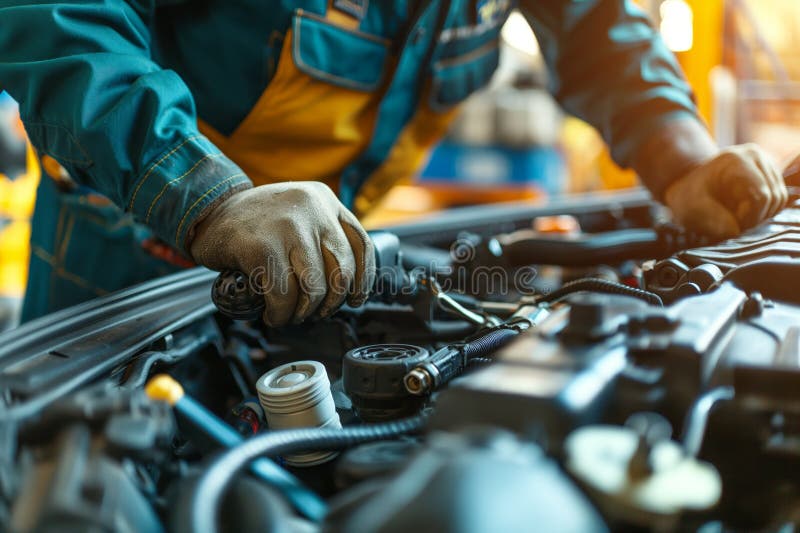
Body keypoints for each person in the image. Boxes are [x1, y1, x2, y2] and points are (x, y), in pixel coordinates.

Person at [0, 0, 787, 325]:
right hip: (125, 258)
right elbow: (63, 20)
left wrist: (684, 161)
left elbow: (595, 29)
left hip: (324, 265)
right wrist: (205, 195)